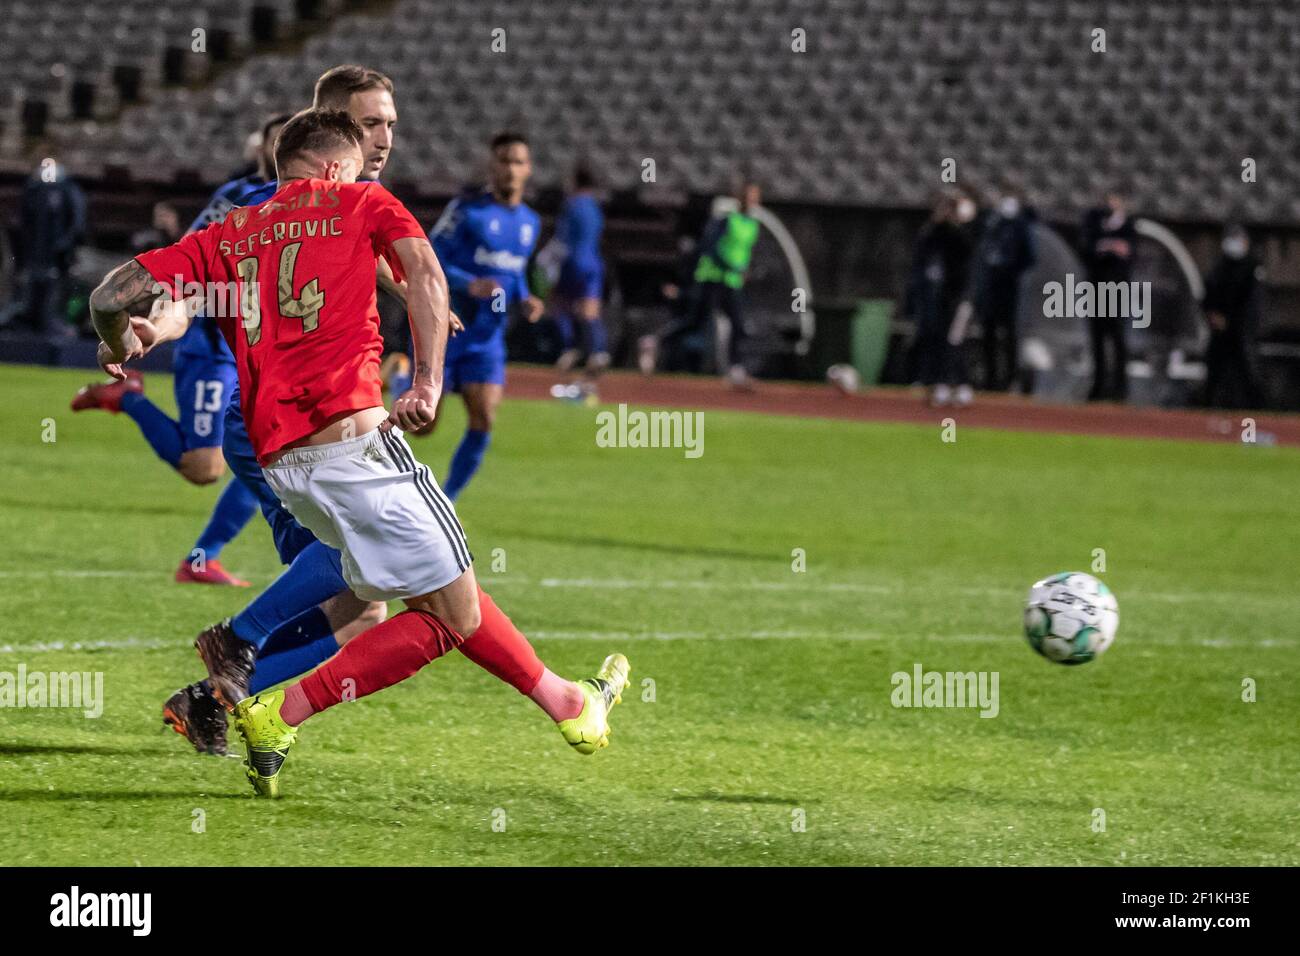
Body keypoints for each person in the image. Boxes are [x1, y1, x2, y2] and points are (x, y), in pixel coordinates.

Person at [90, 108, 630, 797]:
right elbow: (427, 278)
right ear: (336, 164)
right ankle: (273, 702)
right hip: (355, 445)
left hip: (284, 463)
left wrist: (124, 339)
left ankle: (567, 703)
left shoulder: (232, 231)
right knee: (448, 615)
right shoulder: (360, 200)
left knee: (410, 591)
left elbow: (114, 294)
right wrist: (430, 383)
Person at [69, 116, 290, 586]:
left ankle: (203, 559)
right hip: (215, 348)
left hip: (265, 355)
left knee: (269, 456)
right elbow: (189, 259)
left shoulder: (318, 206)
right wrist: (161, 319)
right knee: (204, 468)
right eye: (275, 141)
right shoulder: (236, 198)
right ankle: (127, 397)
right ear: (262, 148)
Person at [424, 131, 544, 500]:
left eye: (517, 162)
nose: (510, 168)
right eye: (503, 160)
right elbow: (428, 255)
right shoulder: (466, 211)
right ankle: (398, 376)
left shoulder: (530, 222)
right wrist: (467, 283)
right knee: (423, 426)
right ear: (491, 166)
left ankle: (447, 502)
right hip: (447, 330)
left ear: (529, 169)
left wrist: (526, 298)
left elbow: (513, 271)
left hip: (487, 338)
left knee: (485, 419)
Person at [643, 180, 763, 388]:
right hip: (712, 278)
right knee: (695, 322)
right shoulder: (726, 221)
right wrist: (732, 267)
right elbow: (709, 248)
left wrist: (745, 270)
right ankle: (654, 341)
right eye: (750, 196)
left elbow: (744, 254)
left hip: (731, 282)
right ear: (741, 198)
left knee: (738, 323)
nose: (753, 201)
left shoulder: (752, 225)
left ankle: (736, 370)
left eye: (756, 197)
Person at [903, 190, 976, 406]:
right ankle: (942, 384)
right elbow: (926, 245)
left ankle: (959, 385)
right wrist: (939, 222)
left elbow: (965, 248)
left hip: (961, 298)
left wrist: (953, 221)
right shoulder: (936, 234)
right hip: (943, 297)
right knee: (939, 339)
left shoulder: (964, 233)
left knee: (953, 341)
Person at [544, 162, 608, 401]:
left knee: (558, 303)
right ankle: (598, 351)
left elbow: (563, 240)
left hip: (573, 262)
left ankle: (568, 347)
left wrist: (548, 264)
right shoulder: (595, 207)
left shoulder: (571, 206)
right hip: (594, 262)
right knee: (590, 310)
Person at [971, 180, 1036, 391]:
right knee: (988, 333)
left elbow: (1028, 258)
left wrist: (1010, 270)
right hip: (988, 287)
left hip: (1009, 289)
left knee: (1009, 333)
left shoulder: (1020, 226)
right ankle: (990, 378)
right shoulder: (992, 223)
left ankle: (1010, 378)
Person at [14, 156, 86, 338]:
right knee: (32, 292)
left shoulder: (68, 191)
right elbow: (25, 222)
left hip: (58, 257)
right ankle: (31, 325)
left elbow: (76, 222)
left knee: (53, 293)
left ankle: (53, 325)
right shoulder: (33, 191)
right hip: (36, 256)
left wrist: (65, 245)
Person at [1080, 190, 1138, 401]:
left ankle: (1120, 389)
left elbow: (1128, 254)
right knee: (1097, 339)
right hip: (1096, 288)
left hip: (1117, 290)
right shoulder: (1094, 221)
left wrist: (1108, 246)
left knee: (1117, 338)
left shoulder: (1129, 225)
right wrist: (1109, 246)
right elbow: (1087, 248)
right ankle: (1098, 386)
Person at [1202, 224, 1265, 409]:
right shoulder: (1220, 266)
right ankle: (1207, 408)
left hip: (1241, 330)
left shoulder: (1252, 268)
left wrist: (1233, 321)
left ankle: (1256, 410)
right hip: (1219, 329)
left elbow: (1252, 303)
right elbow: (1208, 294)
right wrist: (1212, 315)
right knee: (1214, 369)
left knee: (1247, 372)